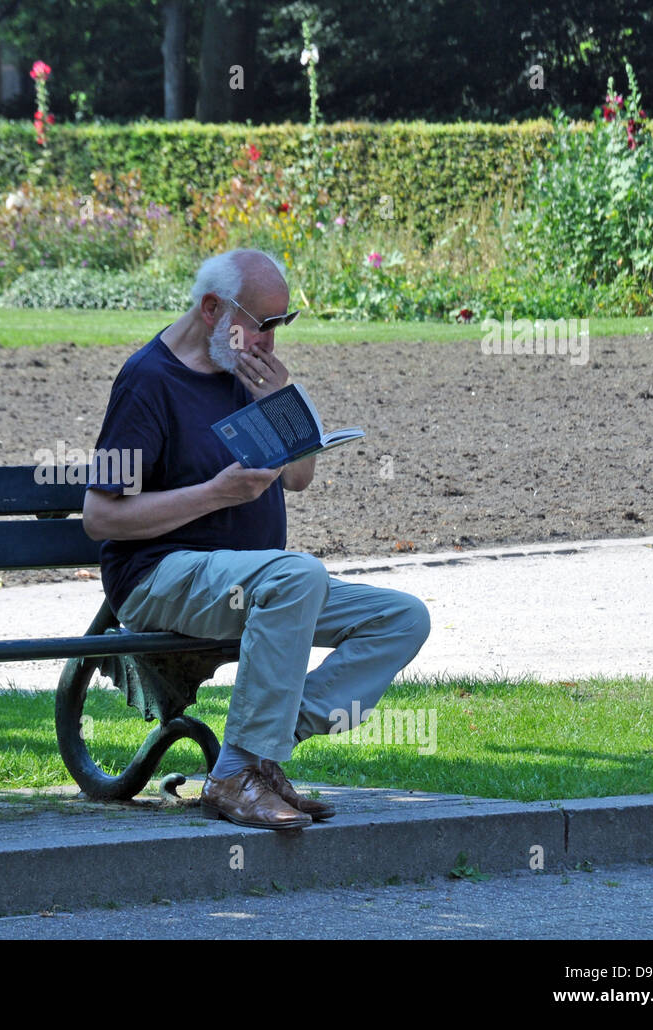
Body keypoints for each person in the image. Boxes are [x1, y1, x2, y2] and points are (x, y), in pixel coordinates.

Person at [82, 248, 431, 831]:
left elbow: (298, 477)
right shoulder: (147, 381)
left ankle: (256, 754)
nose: (271, 340)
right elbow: (100, 517)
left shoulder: (248, 374)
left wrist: (281, 403)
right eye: (264, 323)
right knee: (298, 574)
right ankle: (236, 775)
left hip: (258, 587)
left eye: (281, 324)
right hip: (158, 578)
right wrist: (215, 494)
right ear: (213, 308)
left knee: (400, 618)